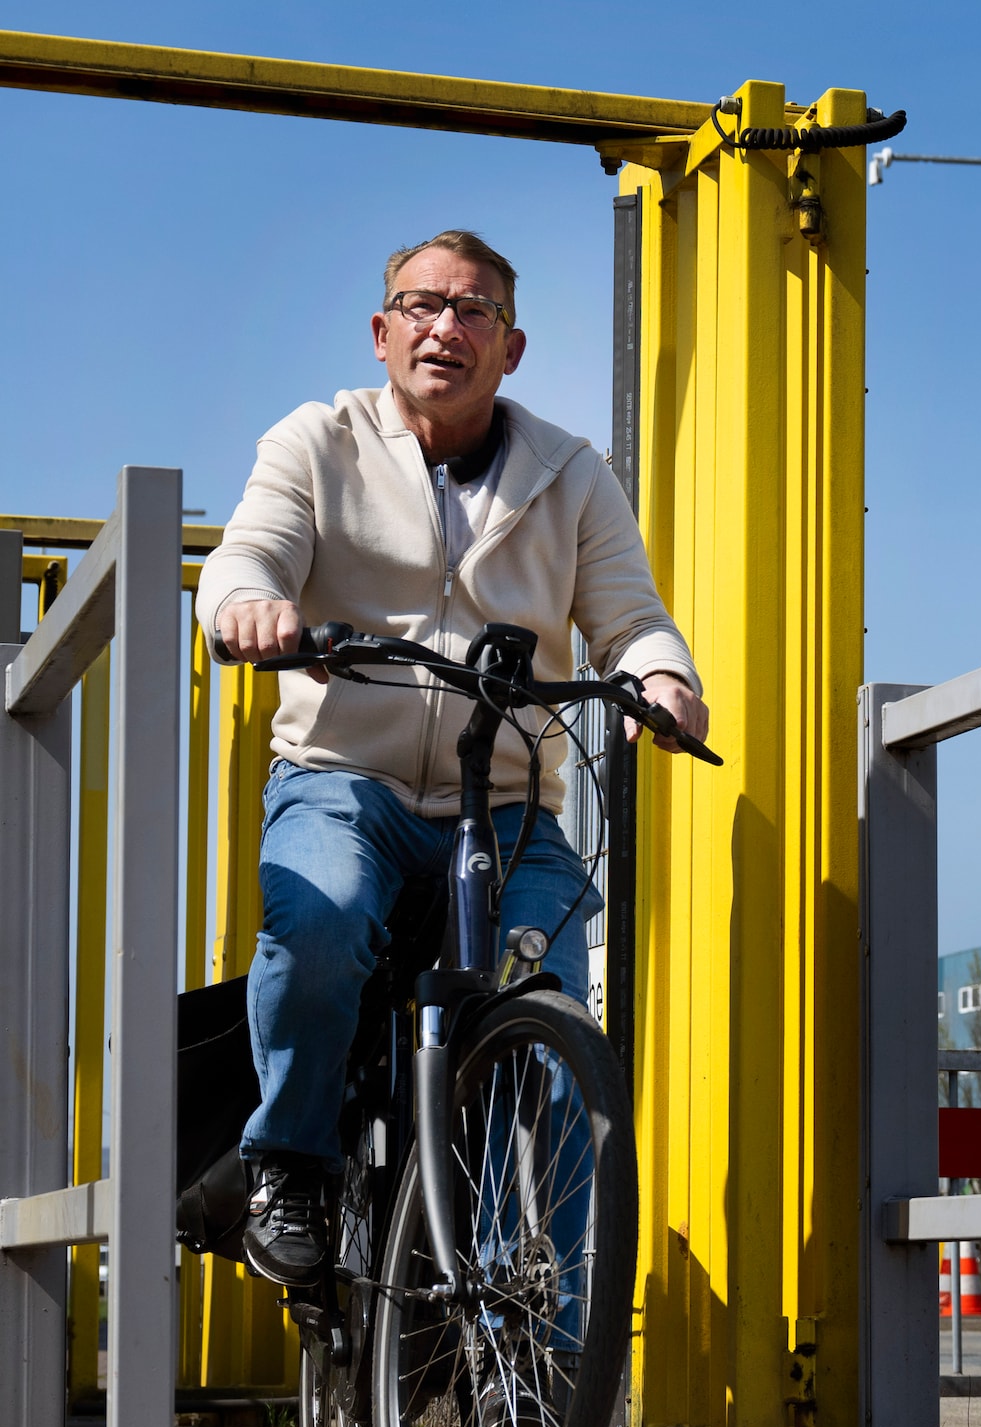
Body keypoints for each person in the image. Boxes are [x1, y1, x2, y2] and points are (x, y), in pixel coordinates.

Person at [196, 229, 709, 1287]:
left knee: (557, 1045)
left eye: (474, 311)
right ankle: (289, 1159)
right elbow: (250, 551)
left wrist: (663, 681)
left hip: (509, 808)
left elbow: (631, 618)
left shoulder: (571, 475)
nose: (447, 327)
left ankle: (534, 1358)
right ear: (382, 334)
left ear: (509, 348)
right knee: (322, 915)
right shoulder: (316, 440)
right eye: (423, 306)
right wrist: (250, 605)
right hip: (348, 779)